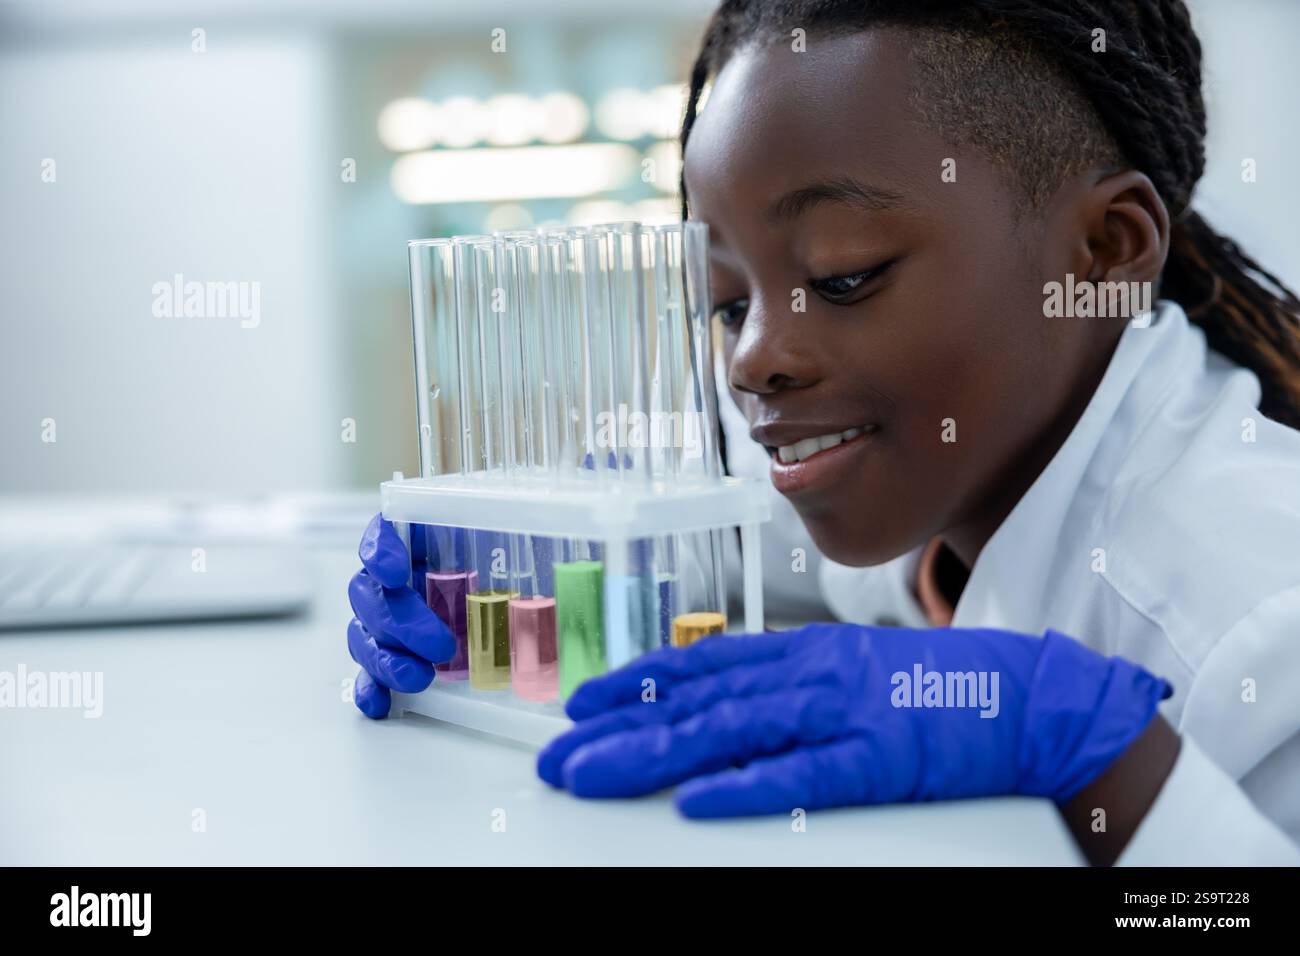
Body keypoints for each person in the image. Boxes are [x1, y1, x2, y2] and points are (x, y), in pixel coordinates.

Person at [347, 0, 1300, 865]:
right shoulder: (913, 442)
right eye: (726, 303)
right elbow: (709, 523)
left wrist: (1124, 773)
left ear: (1102, 252)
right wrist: (501, 566)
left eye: (844, 277)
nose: (752, 361)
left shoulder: (1256, 608)